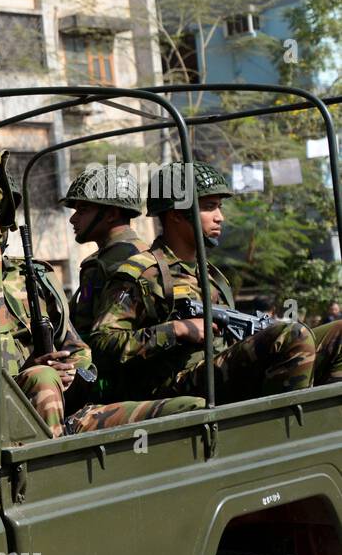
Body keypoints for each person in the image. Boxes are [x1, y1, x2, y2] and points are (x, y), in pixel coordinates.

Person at [0, 201, 203, 436]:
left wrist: (70, 372)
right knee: (41, 377)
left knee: (191, 409)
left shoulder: (29, 277)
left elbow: (78, 349)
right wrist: (30, 375)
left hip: (70, 412)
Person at [90, 161, 316, 402]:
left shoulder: (211, 275)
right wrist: (176, 330)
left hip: (215, 372)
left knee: (334, 334)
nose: (220, 217)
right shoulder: (141, 273)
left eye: (219, 207)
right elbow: (101, 346)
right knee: (291, 335)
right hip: (172, 388)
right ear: (176, 213)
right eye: (210, 207)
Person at [63, 165, 148, 335]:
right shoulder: (128, 254)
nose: (73, 219)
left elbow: (98, 336)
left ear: (111, 214)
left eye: (83, 210)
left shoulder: (117, 262)